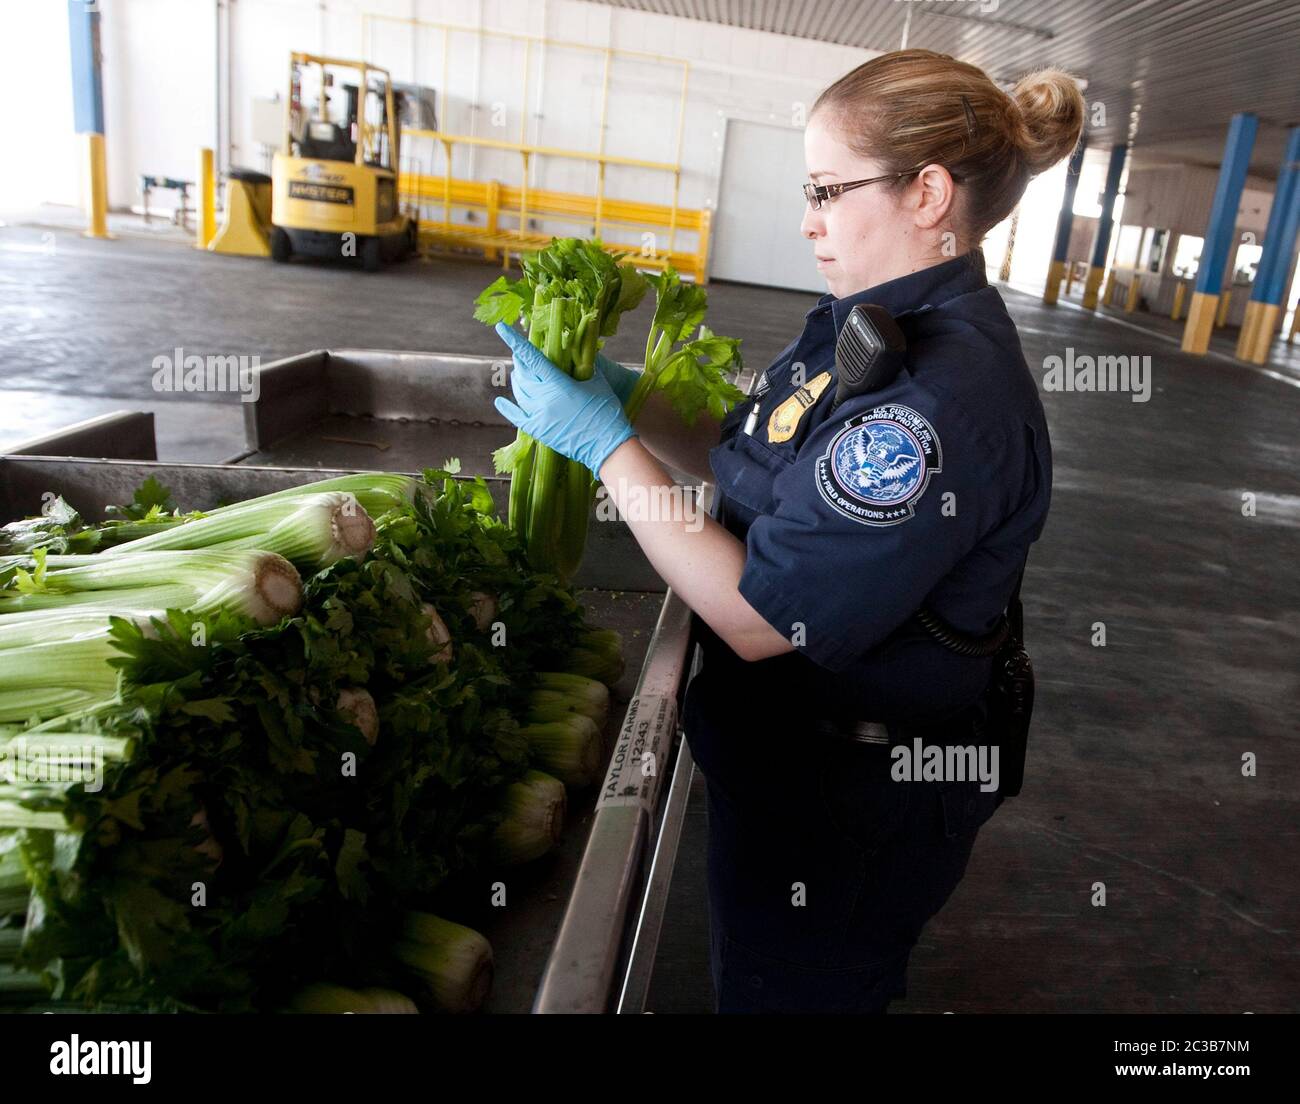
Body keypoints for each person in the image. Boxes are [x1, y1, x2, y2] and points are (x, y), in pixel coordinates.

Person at [492, 48, 1085, 1013]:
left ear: (927, 192)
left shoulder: (933, 409)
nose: (806, 217)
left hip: (851, 802)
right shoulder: (873, 318)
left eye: (828, 189)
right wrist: (632, 403)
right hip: (800, 765)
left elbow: (762, 617)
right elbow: (758, 450)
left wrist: (604, 448)